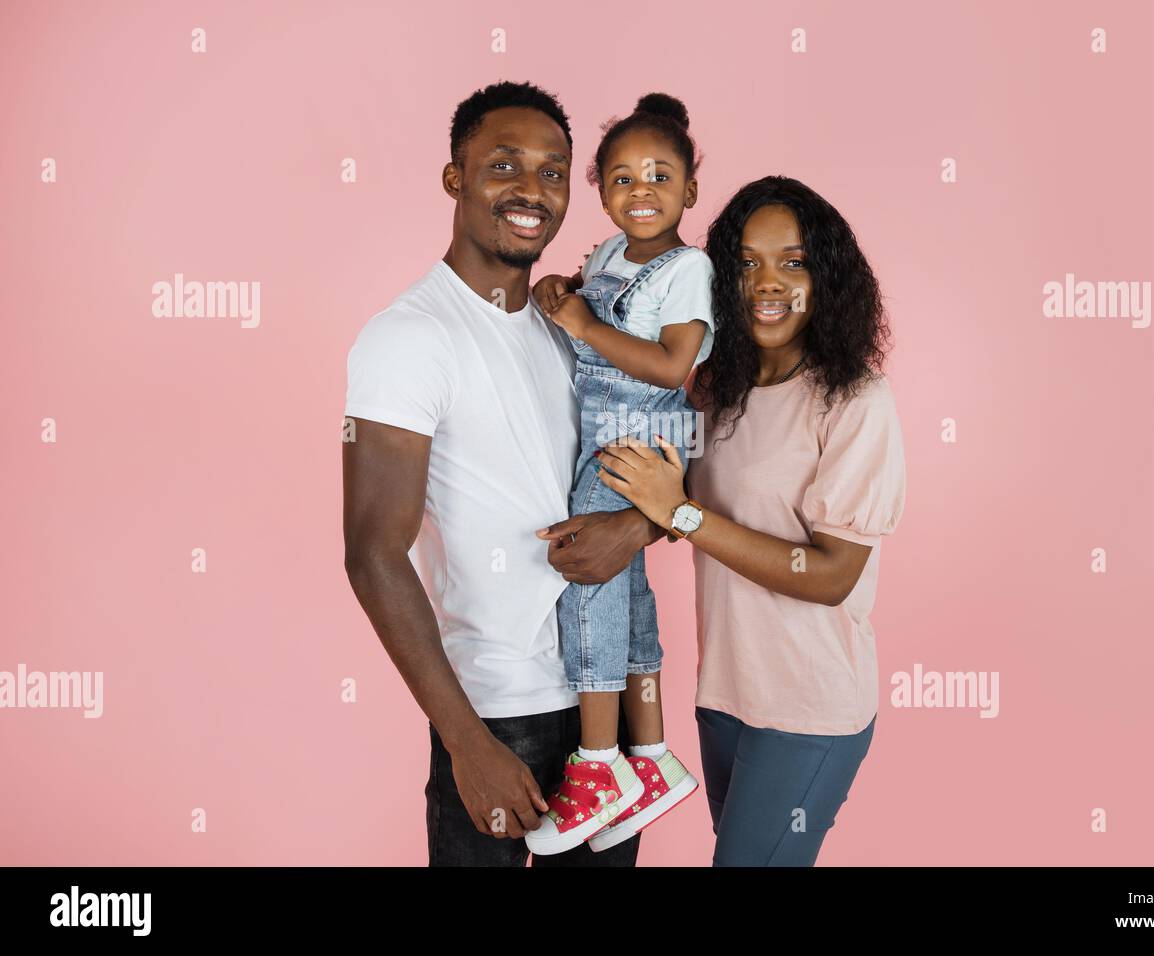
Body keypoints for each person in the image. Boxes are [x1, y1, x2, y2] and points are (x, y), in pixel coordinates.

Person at [342, 81, 663, 867]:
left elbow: (646, 471)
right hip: (497, 714)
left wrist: (638, 524)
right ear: (456, 179)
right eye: (505, 165)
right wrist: (465, 742)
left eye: (554, 172)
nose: (532, 189)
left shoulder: (570, 330)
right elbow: (372, 553)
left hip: (602, 706)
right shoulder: (406, 338)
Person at [587, 176, 907, 866]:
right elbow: (670, 501)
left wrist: (679, 511)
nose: (769, 282)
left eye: (793, 262)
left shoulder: (855, 401)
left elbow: (830, 576)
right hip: (725, 697)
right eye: (746, 263)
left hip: (809, 710)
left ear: (826, 277)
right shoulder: (714, 392)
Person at [523, 93, 710, 856]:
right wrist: (560, 295)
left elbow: (673, 362)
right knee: (627, 592)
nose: (642, 190)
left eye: (661, 175)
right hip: (609, 433)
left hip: (638, 438)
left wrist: (585, 325)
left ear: (690, 191)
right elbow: (579, 310)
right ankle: (653, 757)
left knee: (589, 585)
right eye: (624, 177)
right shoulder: (606, 255)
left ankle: (599, 764)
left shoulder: (689, 267)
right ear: (600, 190)